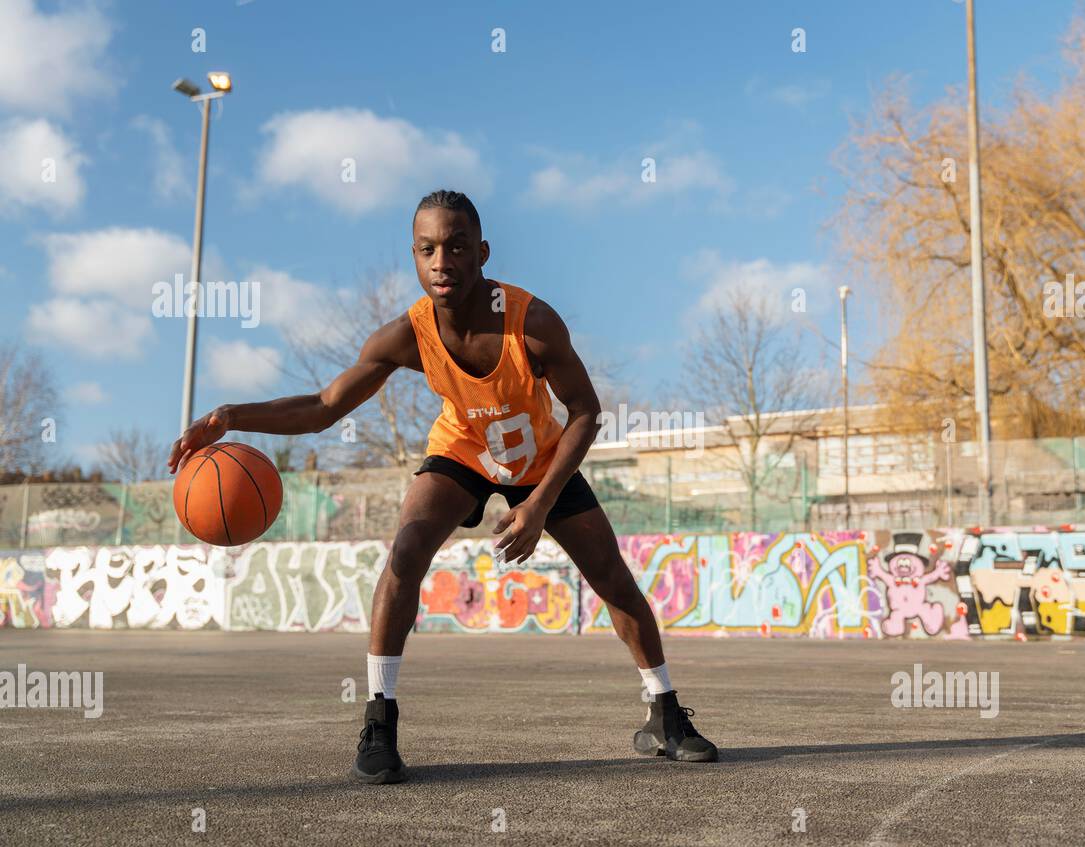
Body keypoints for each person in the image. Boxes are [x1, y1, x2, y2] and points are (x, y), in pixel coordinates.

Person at [167, 190, 718, 783]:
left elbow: (586, 412)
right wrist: (229, 416)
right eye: (427, 249)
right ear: (413, 255)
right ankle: (380, 720)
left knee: (610, 576)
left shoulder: (532, 322)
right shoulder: (407, 335)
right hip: (462, 451)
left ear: (482, 252)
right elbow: (325, 407)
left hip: (538, 458)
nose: (442, 262)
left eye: (456, 247)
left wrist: (539, 504)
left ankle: (664, 713)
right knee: (405, 552)